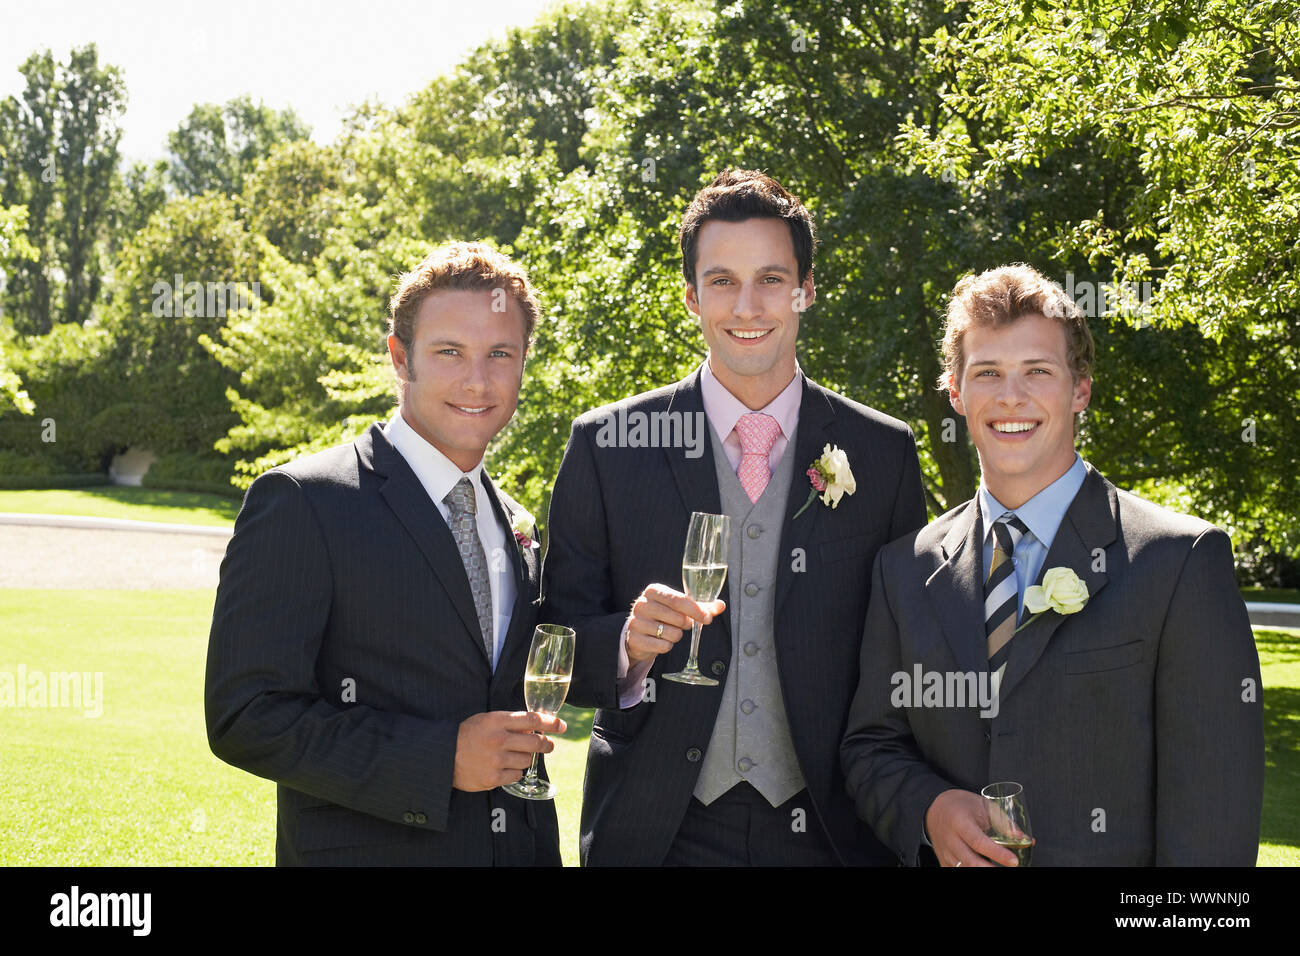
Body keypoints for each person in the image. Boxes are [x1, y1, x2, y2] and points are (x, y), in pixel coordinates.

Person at [542, 169, 928, 866]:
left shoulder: (886, 452)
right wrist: (625, 646)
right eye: (721, 281)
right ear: (691, 296)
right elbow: (556, 634)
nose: (747, 305)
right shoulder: (606, 446)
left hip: (837, 829)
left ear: (806, 290)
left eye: (771, 279)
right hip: (658, 828)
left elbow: (907, 650)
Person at [840, 263, 1265, 866]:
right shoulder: (904, 570)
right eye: (988, 372)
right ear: (956, 392)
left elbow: (1213, 815)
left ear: (1080, 389)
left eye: (1037, 371)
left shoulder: (1180, 562)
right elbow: (871, 748)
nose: (1011, 397)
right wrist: (930, 808)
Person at [205, 242, 564, 865]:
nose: (477, 380)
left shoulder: (516, 521)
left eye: (500, 354)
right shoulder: (304, 502)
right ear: (401, 357)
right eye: (449, 351)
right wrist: (436, 758)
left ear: (523, 362)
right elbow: (245, 716)